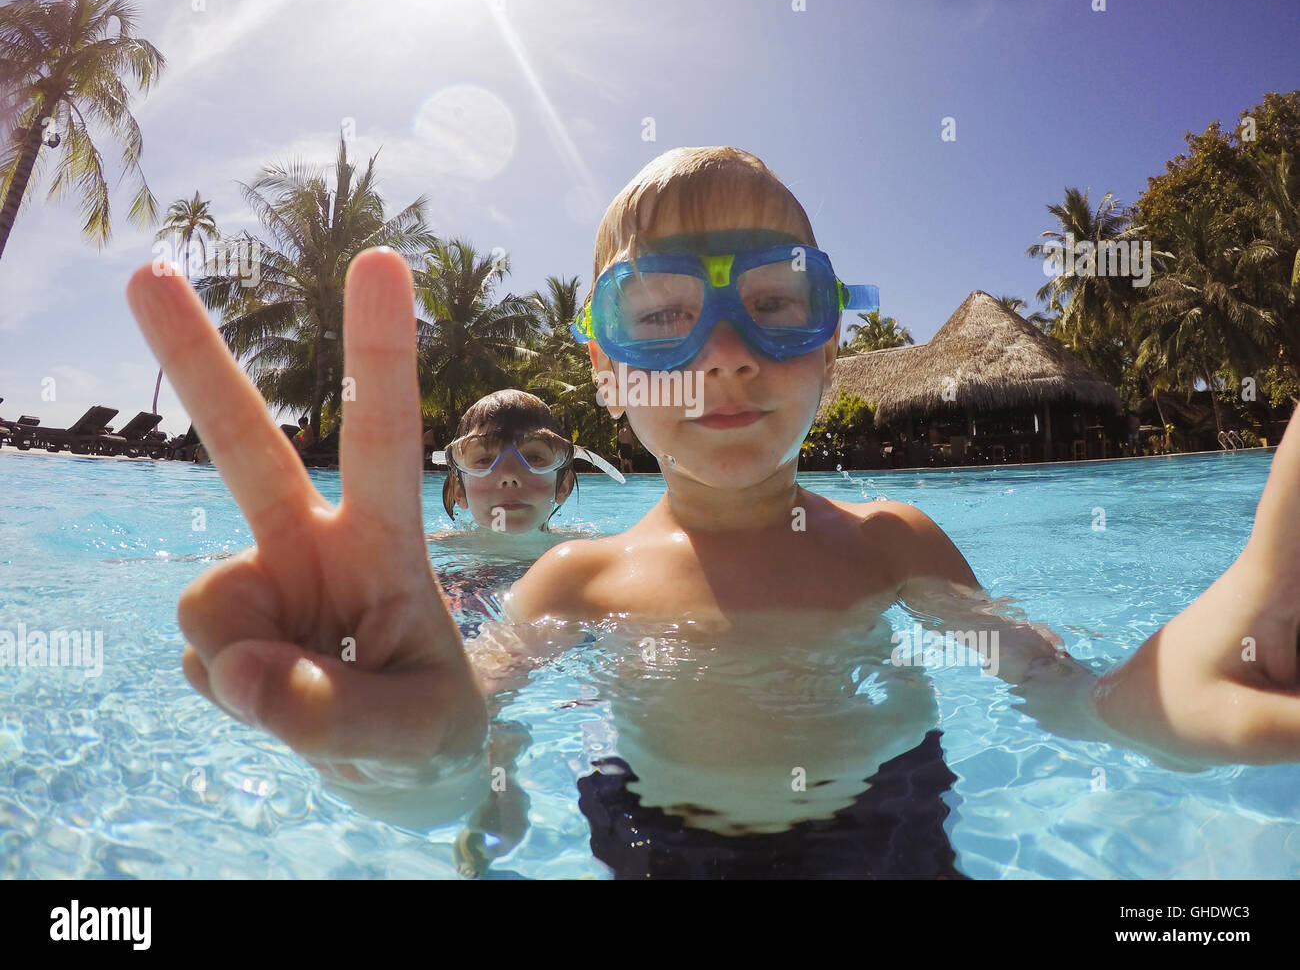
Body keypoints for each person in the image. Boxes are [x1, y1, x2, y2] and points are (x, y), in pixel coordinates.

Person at [125, 145, 1300, 881]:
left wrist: (1142, 703)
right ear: (603, 369)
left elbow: (1054, 697)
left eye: (777, 305)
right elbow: (462, 741)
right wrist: (411, 775)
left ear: (832, 342)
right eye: (661, 316)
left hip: (885, 829)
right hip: (653, 839)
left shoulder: (893, 544)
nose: (726, 357)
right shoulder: (573, 582)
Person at [432, 389, 623, 539]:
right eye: (484, 460)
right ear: (458, 491)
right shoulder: (431, 551)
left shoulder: (584, 551)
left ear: (564, 486)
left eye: (533, 458)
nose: (509, 476)